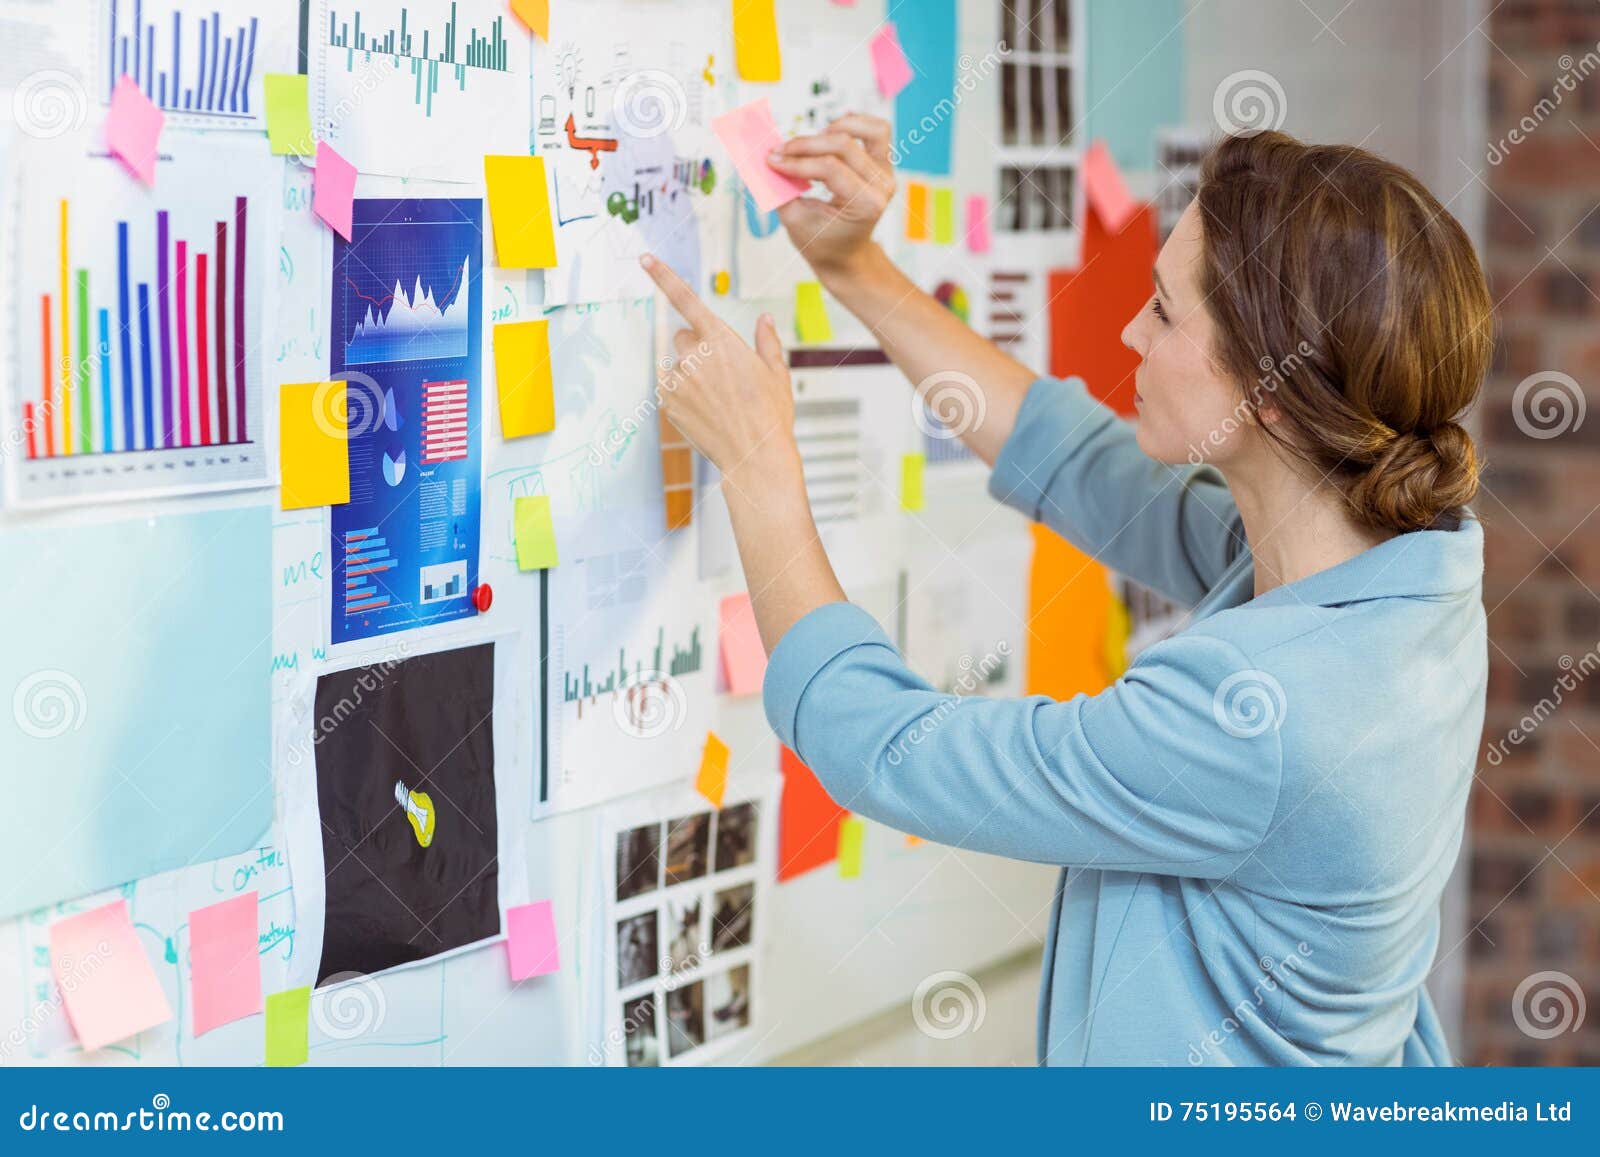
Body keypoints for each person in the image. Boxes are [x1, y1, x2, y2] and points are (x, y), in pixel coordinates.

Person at [639, 117, 1490, 1066]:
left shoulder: (1268, 722)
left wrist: (758, 464)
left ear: (1273, 391)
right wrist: (853, 269)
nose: (1129, 328)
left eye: (1164, 312)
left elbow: (890, 751)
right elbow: (1081, 464)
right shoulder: (1402, 569)